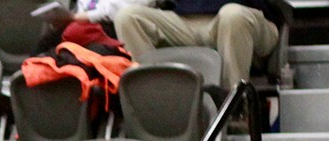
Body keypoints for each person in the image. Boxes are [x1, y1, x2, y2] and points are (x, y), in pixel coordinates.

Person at [112, 0, 281, 90]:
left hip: (246, 18)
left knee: (232, 15)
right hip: (186, 21)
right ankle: (155, 104)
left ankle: (235, 110)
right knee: (127, 17)